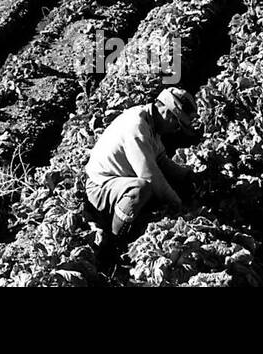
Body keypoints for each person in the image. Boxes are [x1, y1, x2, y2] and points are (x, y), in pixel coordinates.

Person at [84, 88, 198, 244]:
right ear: (166, 112)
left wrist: (187, 175)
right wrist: (177, 203)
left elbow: (161, 160)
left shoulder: (151, 122)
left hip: (122, 179)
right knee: (141, 189)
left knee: (164, 188)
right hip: (101, 185)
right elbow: (149, 175)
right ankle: (116, 240)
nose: (176, 130)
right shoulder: (136, 128)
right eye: (177, 124)